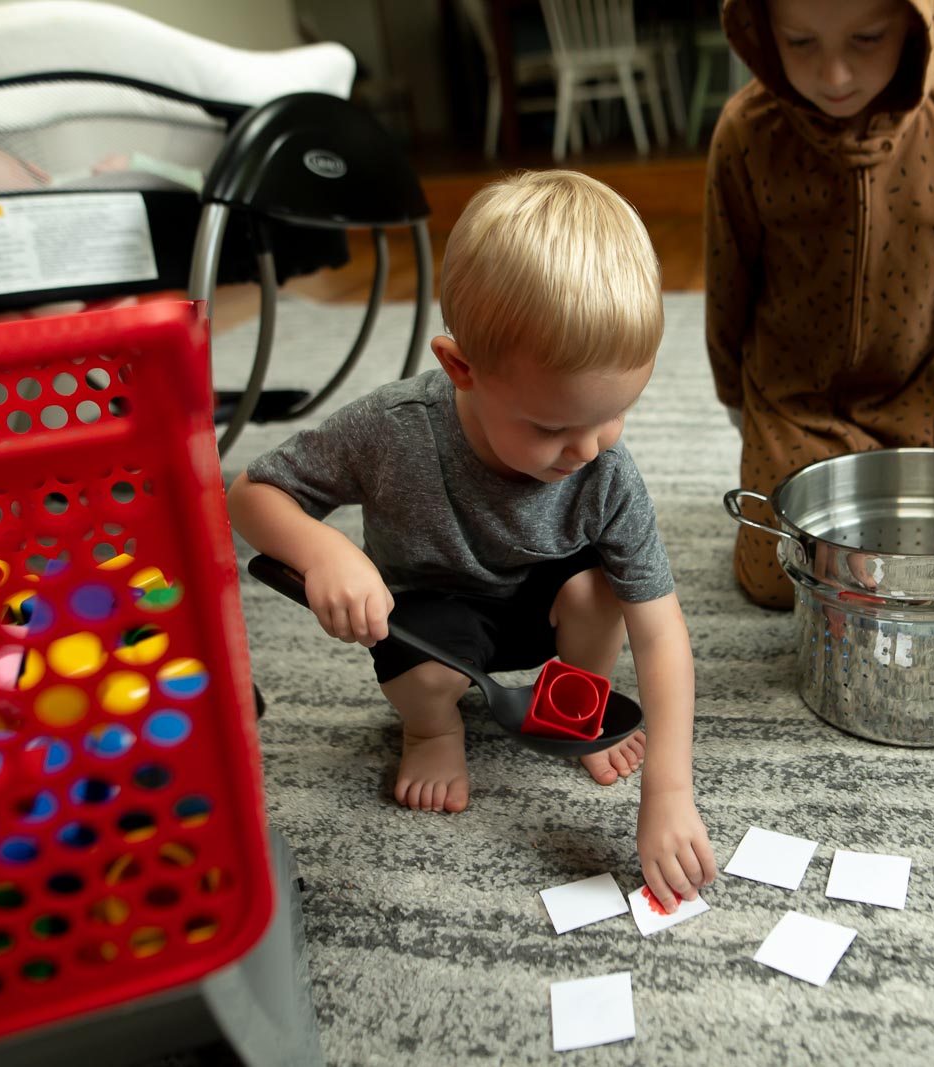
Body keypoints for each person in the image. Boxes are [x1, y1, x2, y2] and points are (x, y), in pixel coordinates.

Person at [225, 170, 717, 909]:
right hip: (439, 622)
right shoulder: (391, 432)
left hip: (549, 605)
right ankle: (430, 732)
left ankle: (571, 702)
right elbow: (250, 493)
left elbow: (661, 633)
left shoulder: (608, 472)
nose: (587, 448)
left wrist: (669, 789)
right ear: (462, 366)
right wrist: (324, 550)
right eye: (552, 426)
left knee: (600, 590)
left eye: (614, 414)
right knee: (424, 672)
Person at [705, 0, 934, 608]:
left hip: (912, 391)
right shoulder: (746, 130)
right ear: (762, 29)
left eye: (868, 38)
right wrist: (739, 406)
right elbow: (728, 283)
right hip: (790, 402)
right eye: (801, 43)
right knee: (783, 581)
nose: (835, 76)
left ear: (915, 23)